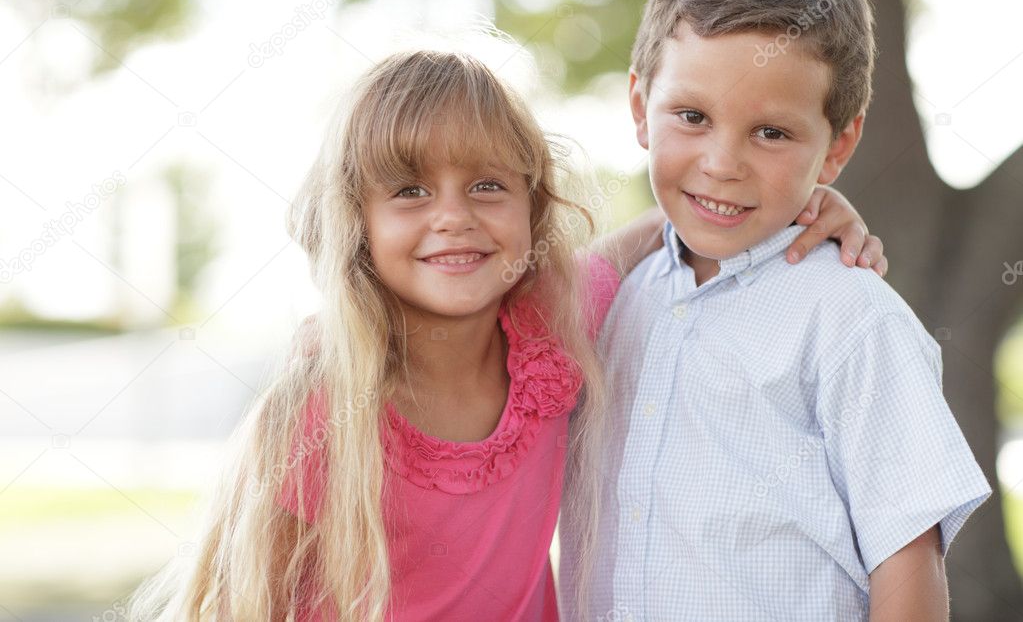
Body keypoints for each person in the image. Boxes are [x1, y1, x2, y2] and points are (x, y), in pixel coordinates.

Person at [128, 48, 884, 621]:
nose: (453, 217)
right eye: (410, 191)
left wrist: (804, 198)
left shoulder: (551, 333)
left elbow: (644, 238)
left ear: (533, 209)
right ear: (356, 223)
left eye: (487, 186)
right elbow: (237, 604)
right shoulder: (320, 412)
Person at [558, 0, 992, 620]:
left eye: (770, 133)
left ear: (837, 146)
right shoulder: (611, 301)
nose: (721, 163)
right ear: (640, 107)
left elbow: (907, 561)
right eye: (692, 117)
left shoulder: (851, 317)